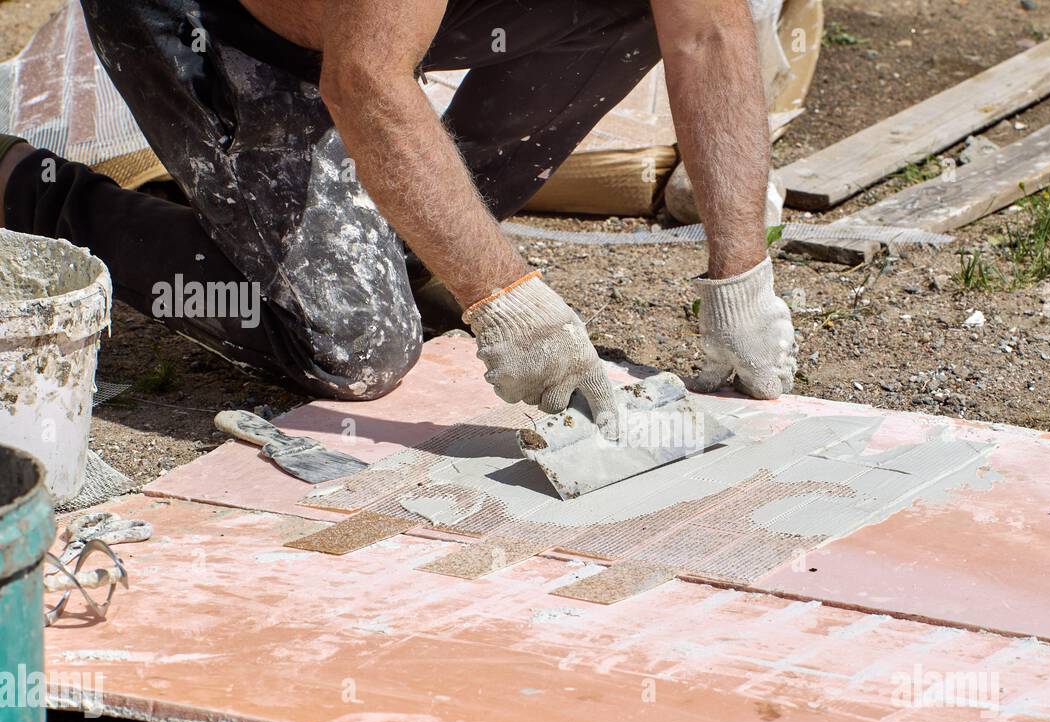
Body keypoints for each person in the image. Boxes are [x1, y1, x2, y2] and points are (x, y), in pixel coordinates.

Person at [0, 0, 795, 426]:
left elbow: (710, 35)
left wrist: (742, 281)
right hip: (207, 19)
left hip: (372, 22)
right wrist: (508, 300)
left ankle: (394, 229)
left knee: (631, 9)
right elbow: (365, 79)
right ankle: (29, 190)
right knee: (356, 346)